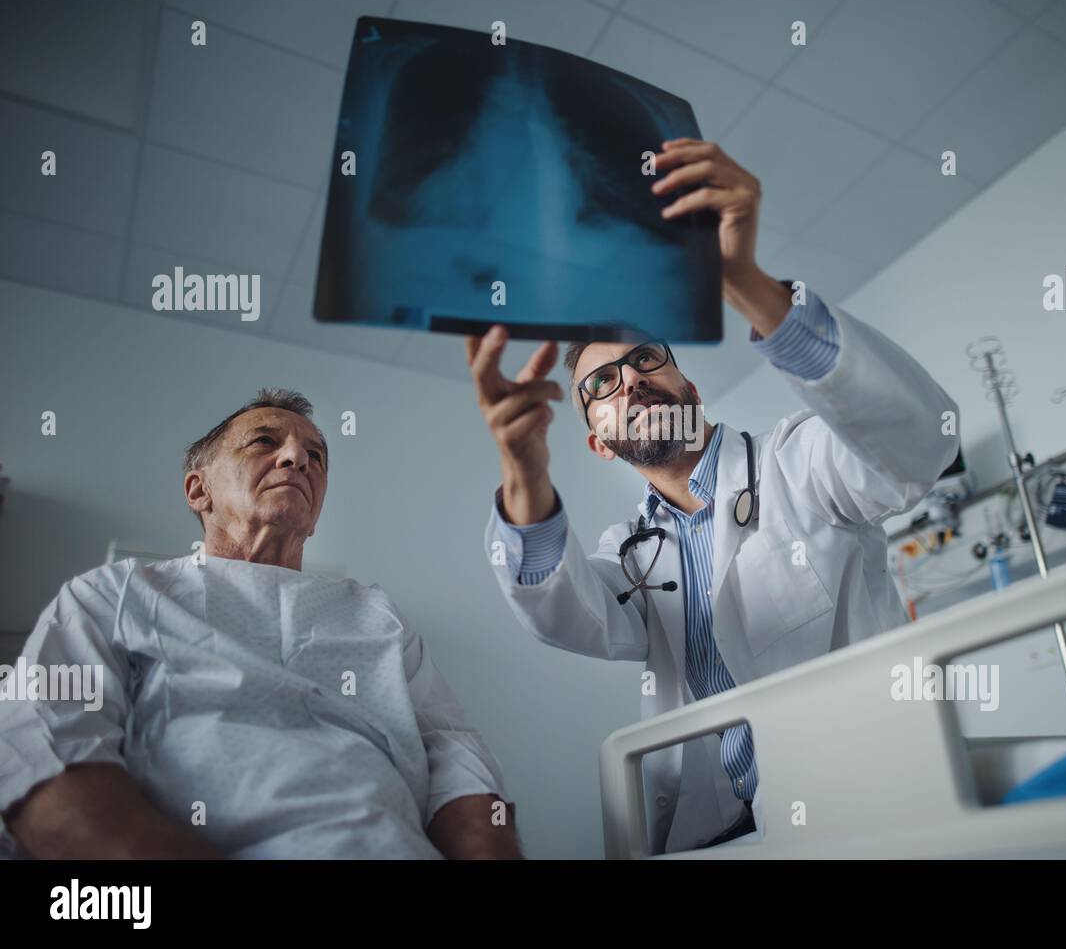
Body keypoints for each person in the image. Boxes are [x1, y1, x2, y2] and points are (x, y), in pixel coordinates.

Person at [468, 139, 959, 854]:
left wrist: (745, 282)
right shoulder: (625, 558)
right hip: (716, 834)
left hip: (863, 805)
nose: (630, 381)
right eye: (599, 386)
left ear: (688, 390)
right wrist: (523, 471)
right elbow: (561, 614)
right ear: (598, 442)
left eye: (645, 360)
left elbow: (922, 440)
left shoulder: (799, 466)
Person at [0, 389, 519, 859]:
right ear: (197, 490)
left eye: (316, 456)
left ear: (315, 514)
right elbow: (40, 748)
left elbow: (457, 761)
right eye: (264, 443)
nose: (297, 458)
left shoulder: (377, 615)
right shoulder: (115, 595)